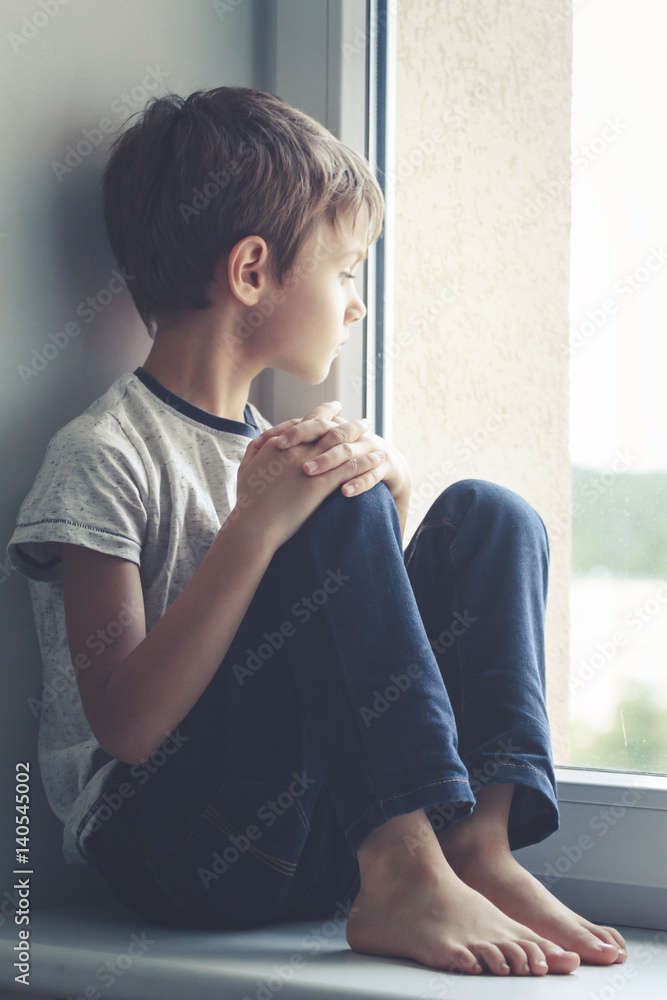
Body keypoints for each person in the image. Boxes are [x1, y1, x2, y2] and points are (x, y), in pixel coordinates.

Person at [7, 86, 627, 978]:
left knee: (491, 514)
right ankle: (404, 873)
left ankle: (473, 852)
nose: (355, 304)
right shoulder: (103, 454)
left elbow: (338, 652)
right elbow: (126, 727)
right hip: (178, 854)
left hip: (318, 832)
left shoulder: (276, 450)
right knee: (327, 490)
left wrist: (389, 514)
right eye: (346, 272)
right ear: (252, 272)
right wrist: (258, 527)